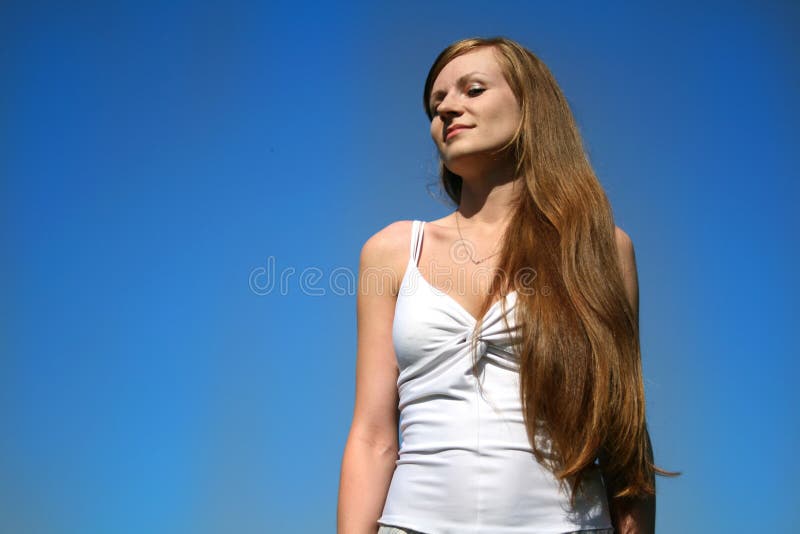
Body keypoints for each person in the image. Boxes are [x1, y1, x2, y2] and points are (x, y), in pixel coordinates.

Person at [337, 36, 679, 534]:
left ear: (531, 107)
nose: (447, 109)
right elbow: (372, 437)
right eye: (436, 105)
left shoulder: (602, 247)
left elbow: (623, 437)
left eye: (472, 90)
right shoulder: (391, 251)